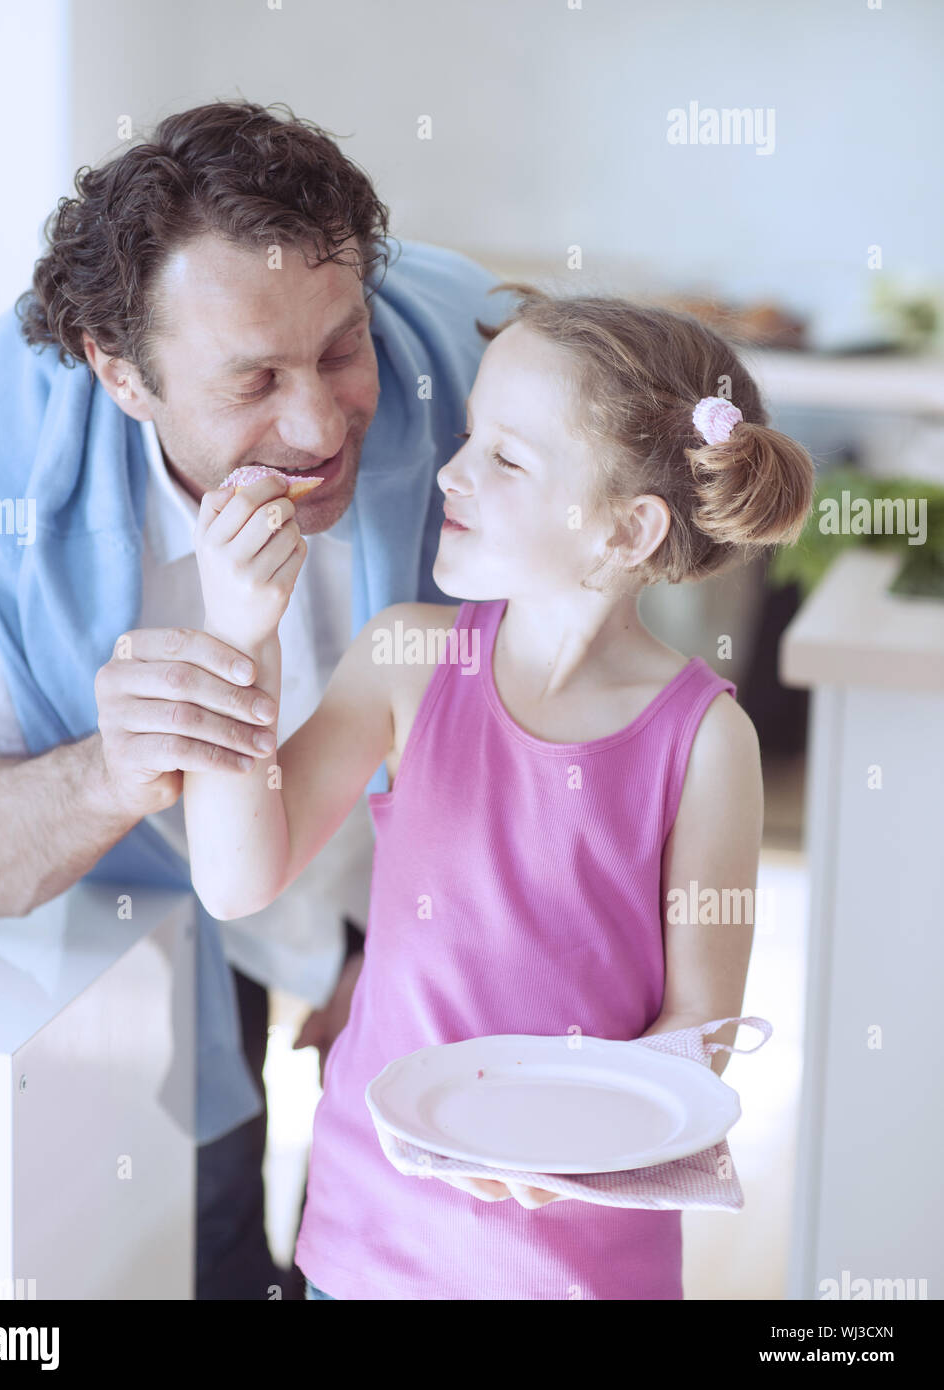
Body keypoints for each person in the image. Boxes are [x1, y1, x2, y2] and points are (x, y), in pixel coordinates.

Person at [0, 99, 518, 1298]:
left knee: (404, 1238)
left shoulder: (474, 364)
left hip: (414, 873)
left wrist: (409, 948)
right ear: (119, 370)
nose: (318, 424)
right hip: (166, 909)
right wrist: (108, 768)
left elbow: (554, 707)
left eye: (341, 347)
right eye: (254, 380)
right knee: (202, 1236)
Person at [182, 288, 815, 1299]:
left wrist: (554, 1149)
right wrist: (239, 633)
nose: (450, 469)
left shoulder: (707, 743)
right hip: (369, 1237)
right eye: (470, 435)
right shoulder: (406, 658)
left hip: (578, 1266)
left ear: (626, 531)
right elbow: (234, 875)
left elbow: (698, 1033)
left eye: (505, 458)